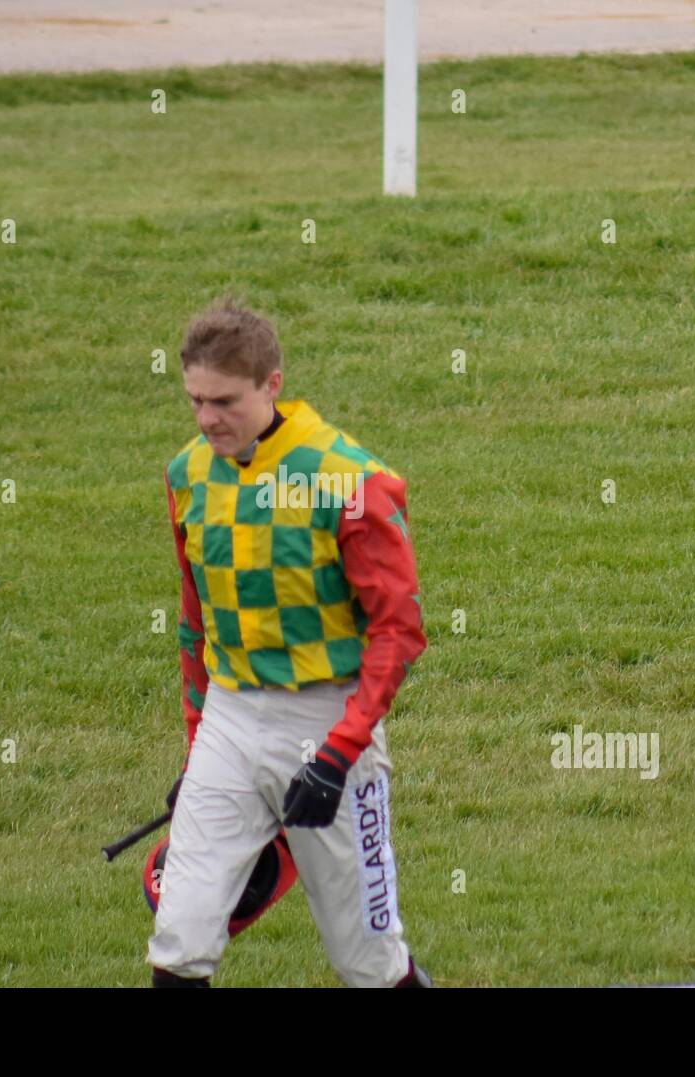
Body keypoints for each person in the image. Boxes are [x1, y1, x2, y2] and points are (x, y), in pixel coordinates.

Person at [146, 296, 432, 988]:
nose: (208, 418)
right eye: (195, 400)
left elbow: (399, 631)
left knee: (368, 959)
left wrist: (338, 754)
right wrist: (198, 744)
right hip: (231, 716)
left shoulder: (352, 479)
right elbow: (195, 624)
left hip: (331, 718)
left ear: (272, 385)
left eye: (225, 401)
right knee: (178, 939)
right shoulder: (187, 475)